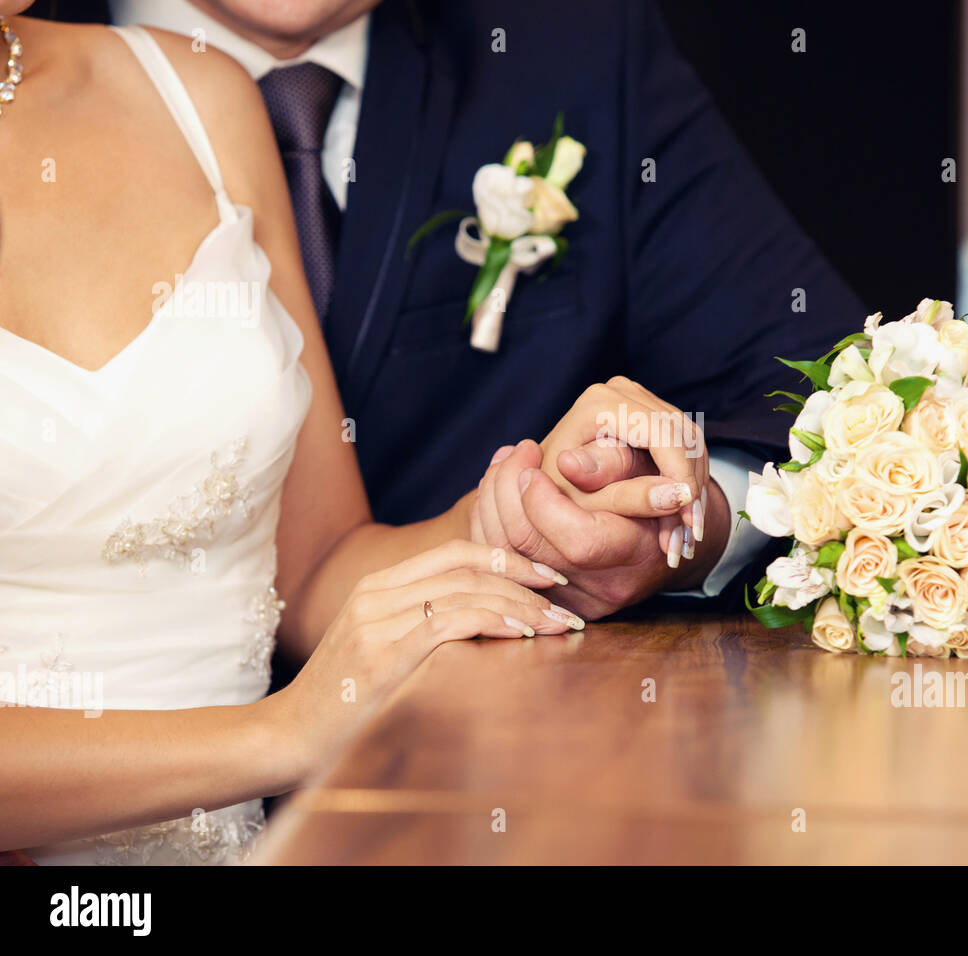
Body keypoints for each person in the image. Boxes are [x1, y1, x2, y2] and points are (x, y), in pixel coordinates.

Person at [35, 0, 866, 622]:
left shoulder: (570, 48)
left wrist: (668, 518)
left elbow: (831, 394)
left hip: (493, 764)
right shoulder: (31, 64)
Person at [0, 10, 585, 863]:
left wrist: (528, 521)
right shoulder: (284, 734)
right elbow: (301, 724)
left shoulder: (199, 95)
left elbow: (315, 566)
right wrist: (281, 735)